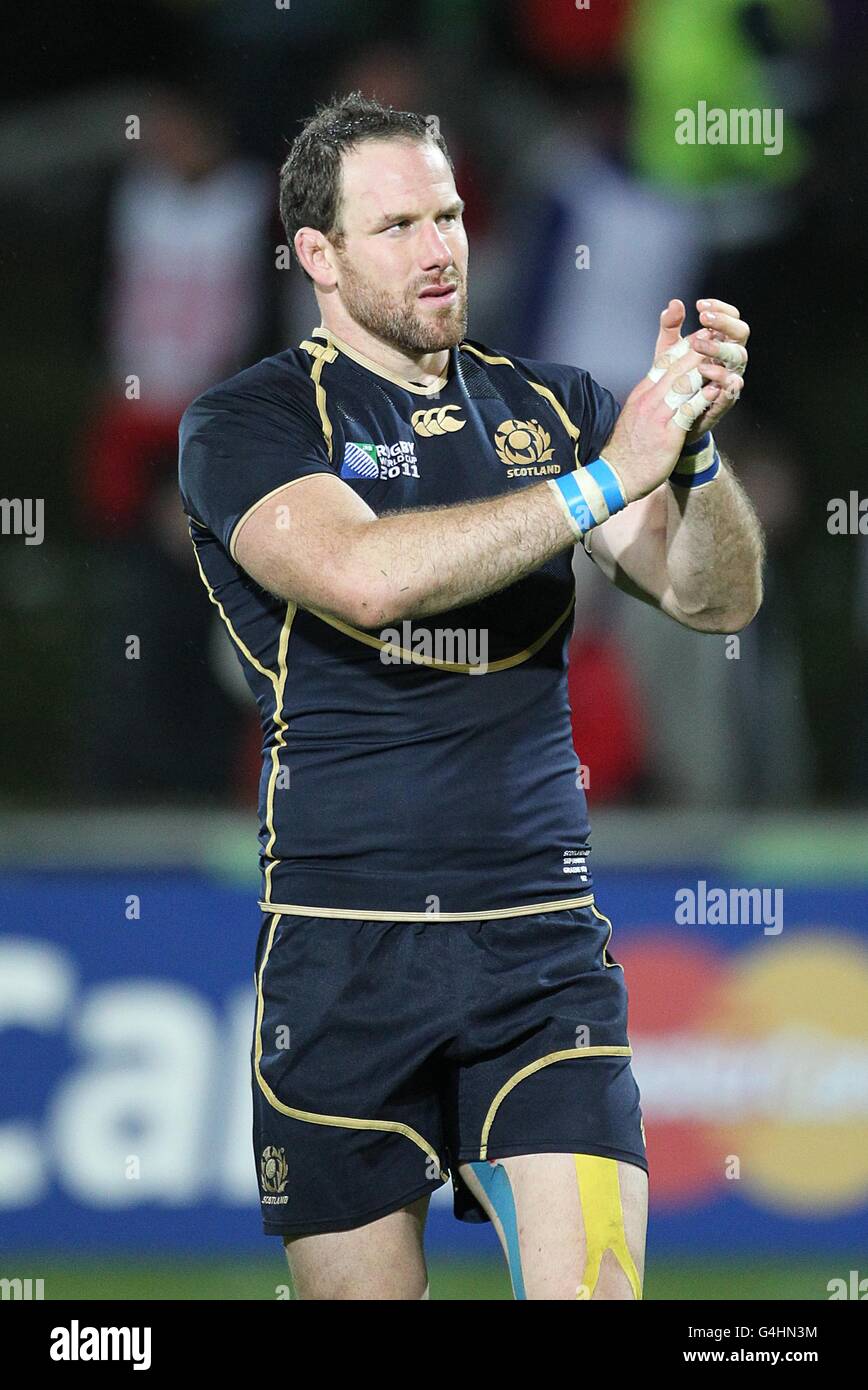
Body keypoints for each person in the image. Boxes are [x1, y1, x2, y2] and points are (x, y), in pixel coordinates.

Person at [178, 93, 763, 1300]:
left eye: (447, 214)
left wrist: (691, 452)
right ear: (318, 257)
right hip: (342, 953)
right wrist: (609, 478)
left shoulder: (548, 405)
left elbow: (713, 600)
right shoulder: (251, 420)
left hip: (539, 952)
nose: (439, 246)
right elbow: (364, 578)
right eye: (397, 225)